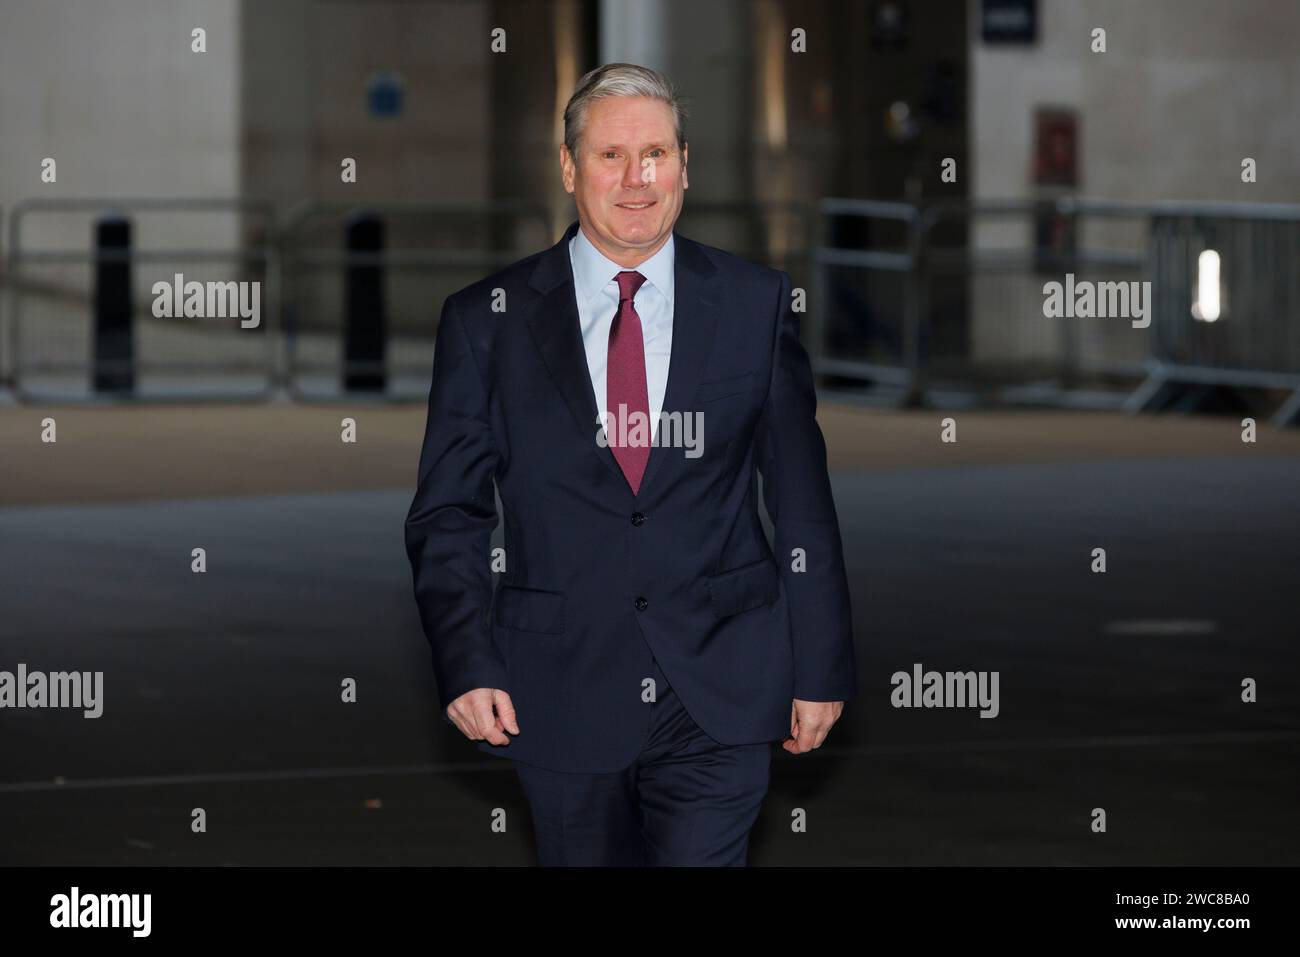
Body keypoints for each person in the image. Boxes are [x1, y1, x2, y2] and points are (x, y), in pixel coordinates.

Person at [404, 62, 856, 866]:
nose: (636, 178)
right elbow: (451, 514)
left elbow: (801, 502)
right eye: (611, 156)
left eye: (656, 154)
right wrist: (465, 658)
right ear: (572, 170)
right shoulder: (487, 323)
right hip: (560, 684)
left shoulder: (755, 306)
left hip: (722, 682)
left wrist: (820, 661)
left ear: (686, 165)